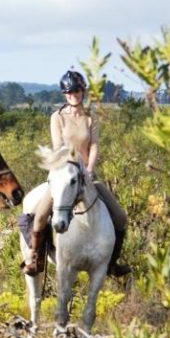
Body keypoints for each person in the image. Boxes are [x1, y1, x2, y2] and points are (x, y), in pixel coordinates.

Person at [22, 70, 130, 277]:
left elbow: (95, 145)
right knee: (39, 215)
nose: (74, 95)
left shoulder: (91, 118)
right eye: (69, 92)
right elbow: (58, 147)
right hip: (63, 175)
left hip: (88, 175)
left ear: (83, 91)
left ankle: (111, 263)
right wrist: (72, 168)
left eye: (77, 91)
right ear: (65, 94)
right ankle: (36, 258)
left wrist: (88, 169)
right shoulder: (57, 117)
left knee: (120, 217)